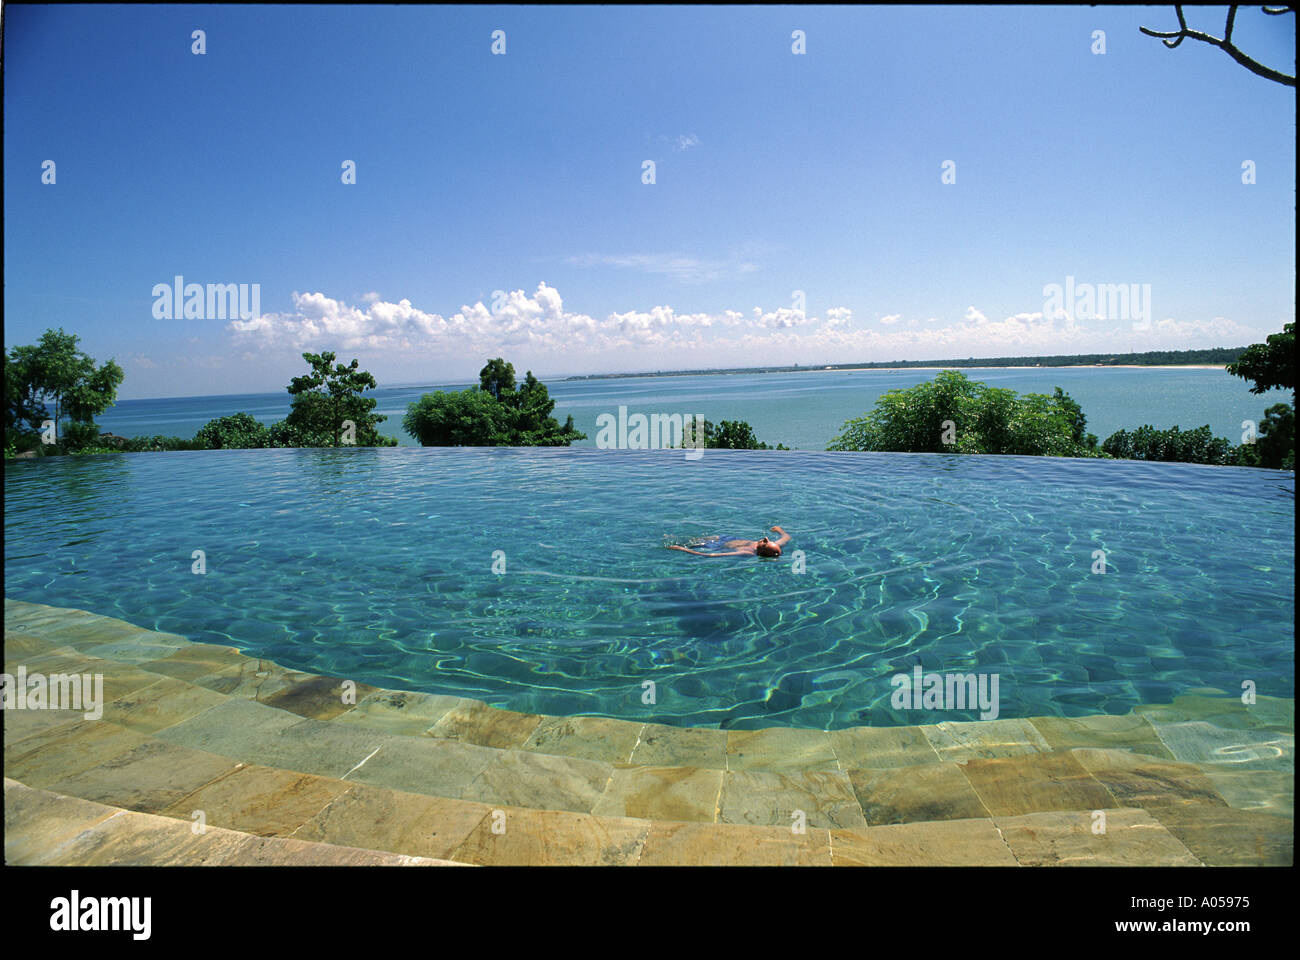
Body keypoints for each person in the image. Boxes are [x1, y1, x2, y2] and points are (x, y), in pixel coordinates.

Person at [668, 525, 791, 558]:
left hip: (716, 546)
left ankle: (677, 544)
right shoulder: (774, 546)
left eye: (766, 542)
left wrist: (683, 549)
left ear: (762, 549)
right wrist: (779, 530)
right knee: (696, 538)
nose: (766, 538)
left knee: (690, 543)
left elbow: (710, 555)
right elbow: (786, 537)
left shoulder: (746, 552)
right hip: (729, 538)